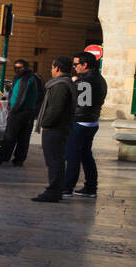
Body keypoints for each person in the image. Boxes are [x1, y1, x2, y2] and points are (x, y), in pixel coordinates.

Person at [63, 50, 108, 197]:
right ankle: (90, 187)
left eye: (76, 64)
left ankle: (67, 187)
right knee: (86, 155)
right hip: (92, 122)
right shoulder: (100, 79)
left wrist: (75, 84)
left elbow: (82, 104)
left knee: (73, 155)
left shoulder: (85, 81)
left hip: (81, 122)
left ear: (85, 64)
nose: (74, 67)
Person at [32, 57, 77, 202]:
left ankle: (53, 191)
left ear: (57, 68)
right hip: (59, 127)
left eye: (52, 67)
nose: (51, 70)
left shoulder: (60, 85)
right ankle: (56, 190)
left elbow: (55, 109)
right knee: (55, 160)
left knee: (54, 161)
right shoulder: (65, 83)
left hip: (55, 129)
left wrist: (45, 123)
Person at [0, 59, 43, 166]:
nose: (17, 70)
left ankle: (1, 158)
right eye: (15, 68)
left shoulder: (25, 79)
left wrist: (13, 111)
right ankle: (19, 159)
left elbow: (20, 97)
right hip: (28, 112)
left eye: (20, 68)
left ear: (26, 68)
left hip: (20, 112)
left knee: (10, 136)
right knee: (23, 137)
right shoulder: (27, 78)